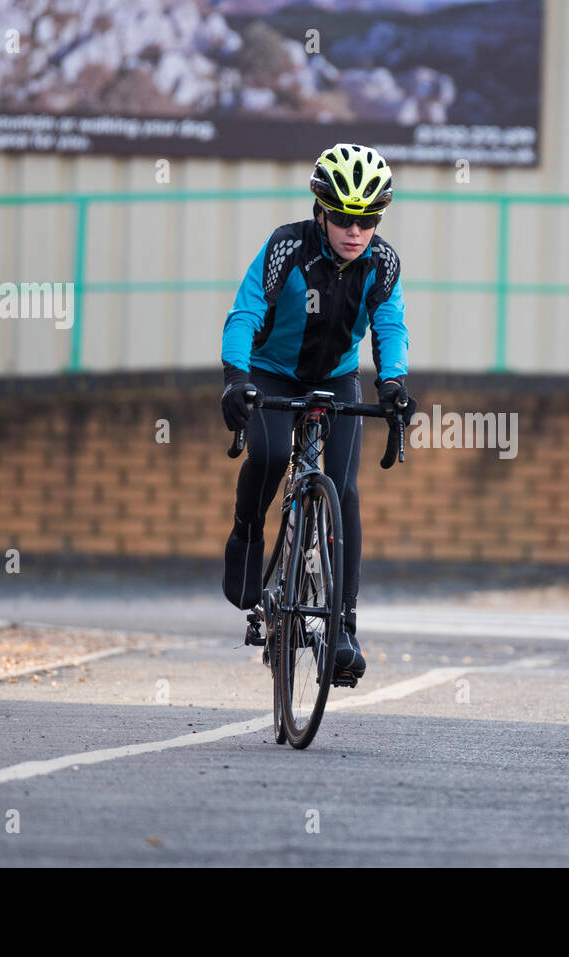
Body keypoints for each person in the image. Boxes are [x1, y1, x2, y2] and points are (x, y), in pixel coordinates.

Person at [219, 143, 411, 680]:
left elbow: (390, 327)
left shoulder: (382, 263)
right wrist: (236, 377)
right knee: (273, 452)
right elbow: (245, 312)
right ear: (321, 213)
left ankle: (343, 629)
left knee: (344, 488)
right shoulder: (285, 248)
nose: (356, 231)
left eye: (368, 220)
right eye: (346, 219)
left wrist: (393, 383)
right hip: (270, 370)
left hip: (337, 378)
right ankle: (248, 534)